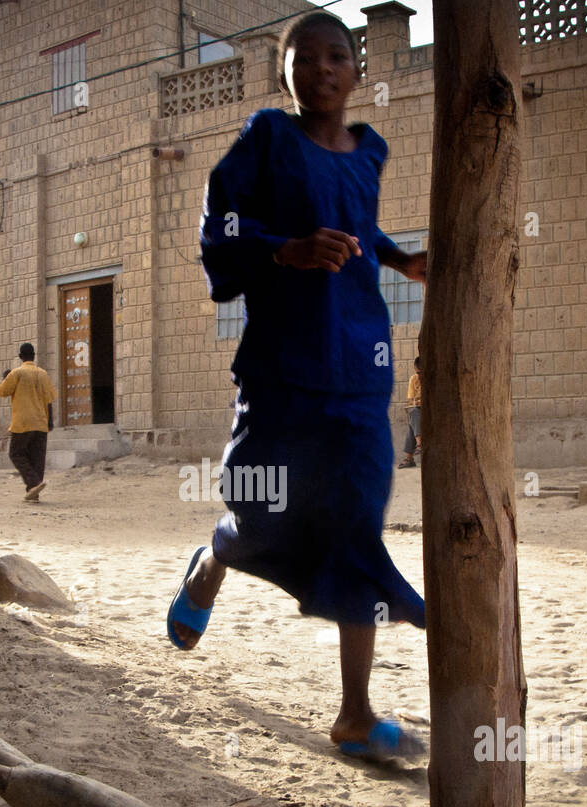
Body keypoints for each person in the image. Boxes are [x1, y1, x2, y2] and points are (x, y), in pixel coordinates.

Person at [167, 10, 428, 762]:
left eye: (336, 55)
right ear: (283, 74)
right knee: (260, 514)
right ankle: (214, 561)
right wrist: (286, 251)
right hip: (283, 373)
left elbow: (355, 225)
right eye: (303, 57)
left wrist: (400, 260)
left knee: (355, 530)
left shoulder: (367, 153)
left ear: (357, 69)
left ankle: (353, 713)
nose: (321, 68)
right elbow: (219, 233)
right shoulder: (266, 142)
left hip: (358, 374)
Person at [0, 342, 56, 502]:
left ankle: (34, 483)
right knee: (37, 457)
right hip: (40, 422)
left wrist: (5, 377)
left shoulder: (17, 373)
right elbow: (49, 400)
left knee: (16, 453)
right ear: (34, 356)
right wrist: (50, 421)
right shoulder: (43, 374)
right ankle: (33, 492)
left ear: (20, 357)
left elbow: (3, 392)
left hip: (22, 422)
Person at [399, 356, 421, 469]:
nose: (419, 376)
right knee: (413, 412)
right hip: (418, 410)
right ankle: (419, 443)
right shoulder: (414, 379)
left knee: (412, 421)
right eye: (418, 373)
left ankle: (410, 458)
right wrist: (416, 401)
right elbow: (411, 399)